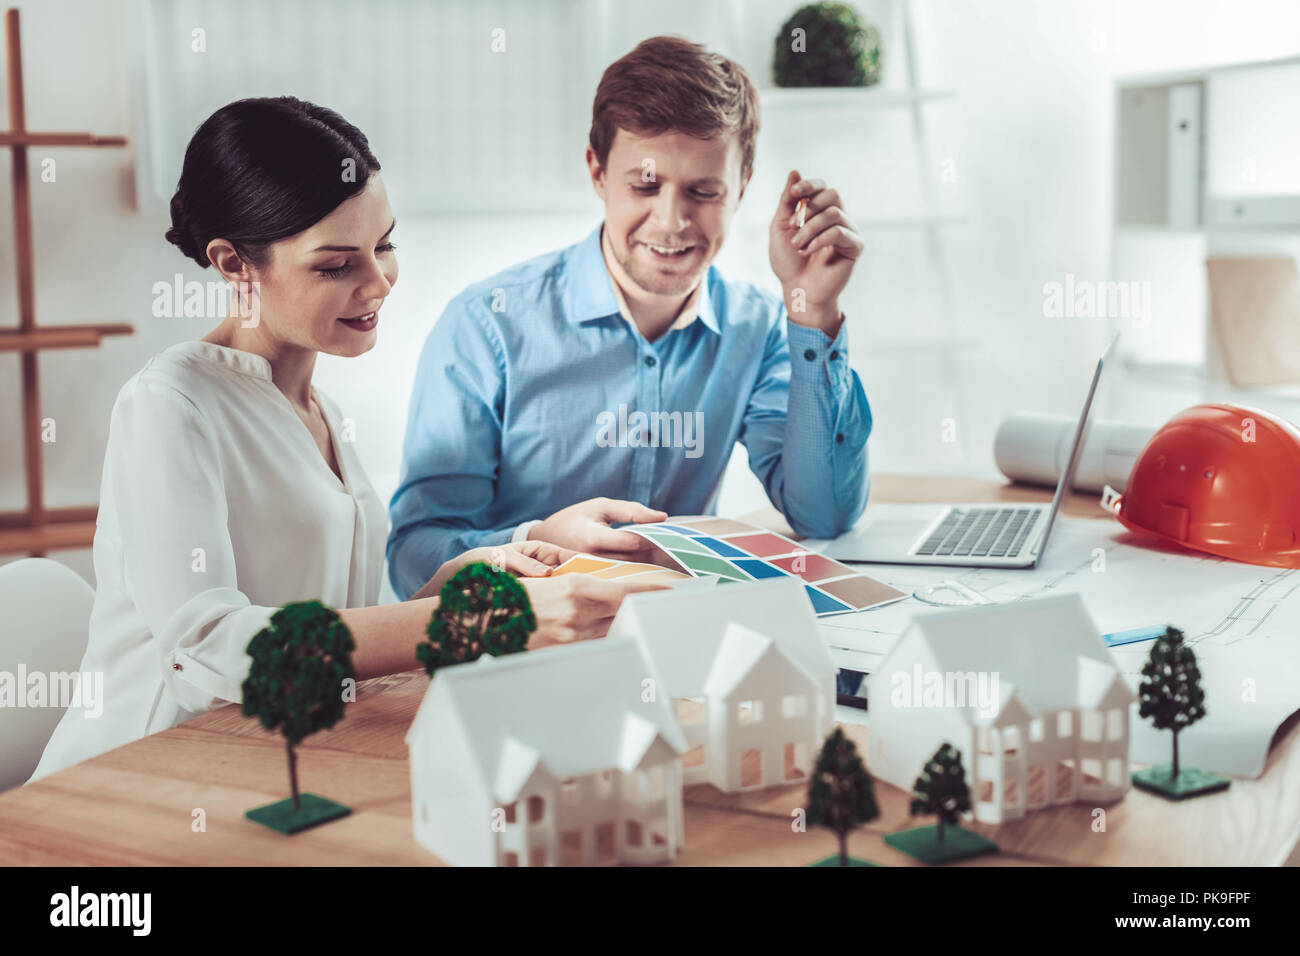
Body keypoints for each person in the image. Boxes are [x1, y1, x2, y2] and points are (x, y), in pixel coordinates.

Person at [32, 97, 660, 781]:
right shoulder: (171, 404)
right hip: (139, 779)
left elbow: (329, 631)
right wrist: (456, 624)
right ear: (234, 263)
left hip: (274, 764)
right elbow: (205, 649)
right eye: (336, 265)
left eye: (383, 245)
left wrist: (470, 576)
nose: (379, 282)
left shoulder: (317, 409)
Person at [388, 36, 873, 601]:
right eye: (646, 185)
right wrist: (533, 543)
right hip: (514, 649)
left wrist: (812, 310)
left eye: (703, 191)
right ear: (597, 172)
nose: (672, 221)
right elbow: (413, 561)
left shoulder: (760, 326)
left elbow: (824, 516)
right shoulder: (486, 326)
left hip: (678, 646)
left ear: (741, 188)